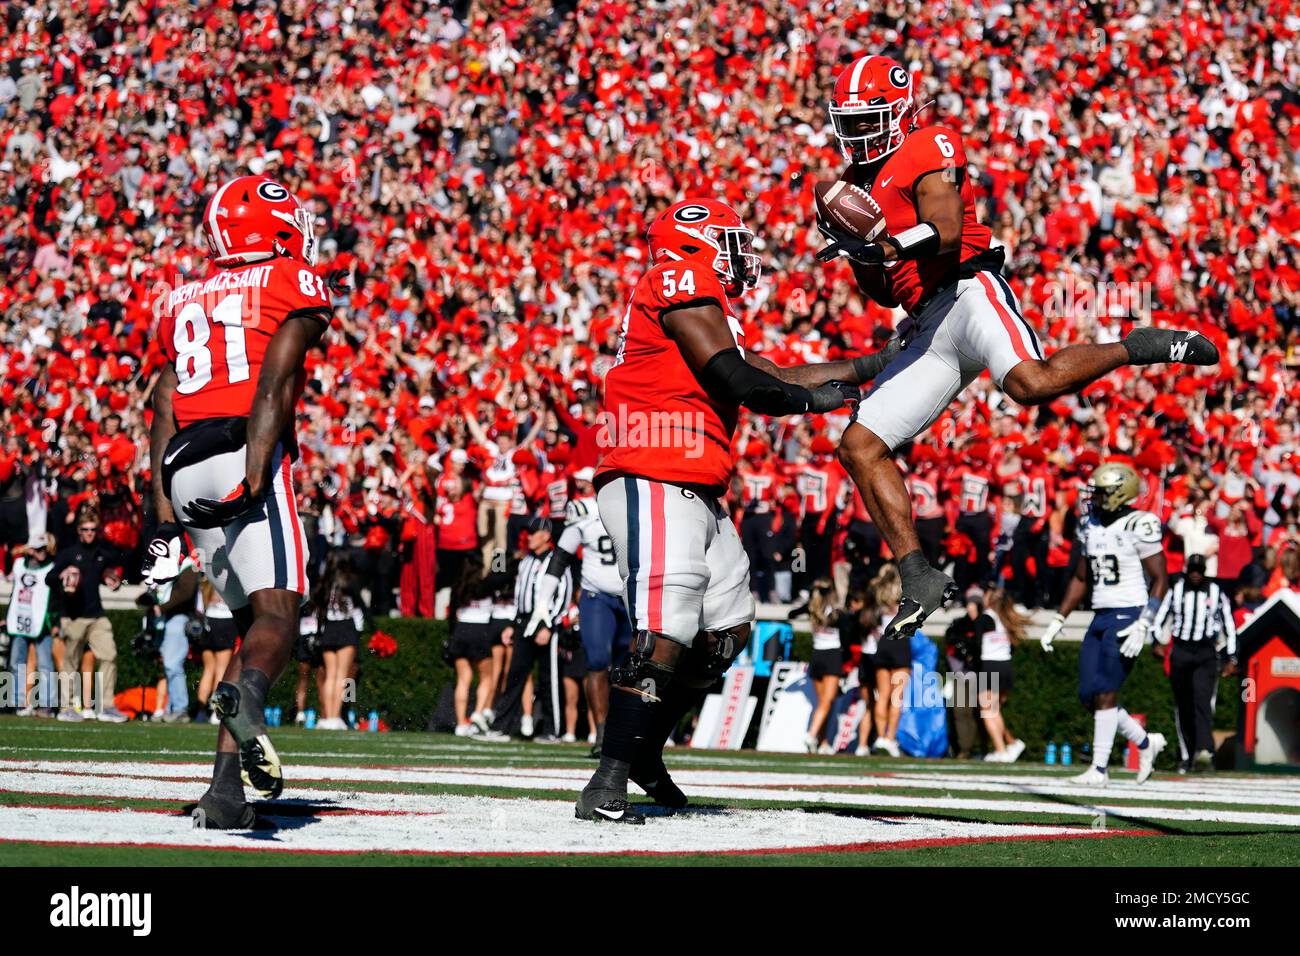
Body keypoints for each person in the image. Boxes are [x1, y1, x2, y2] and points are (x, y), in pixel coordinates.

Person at [819, 54, 1221, 642]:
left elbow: (947, 229)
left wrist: (882, 244)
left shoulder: (928, 144)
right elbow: (881, 293)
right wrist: (861, 249)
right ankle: (917, 573)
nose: (856, 134)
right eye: (848, 123)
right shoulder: (854, 185)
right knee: (858, 446)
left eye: (868, 118)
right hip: (924, 323)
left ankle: (1135, 346)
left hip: (968, 289)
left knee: (1029, 384)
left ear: (900, 108)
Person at [577, 198, 898, 823]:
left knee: (723, 635)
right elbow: (737, 379)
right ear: (694, 244)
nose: (740, 252)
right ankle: (607, 779)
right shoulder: (677, 277)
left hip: (694, 483)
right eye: (728, 240)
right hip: (653, 469)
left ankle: (643, 751)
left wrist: (878, 365)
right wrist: (807, 402)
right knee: (665, 631)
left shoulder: (703, 304)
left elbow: (770, 369)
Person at [145, 175, 332, 829]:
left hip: (183, 467)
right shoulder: (288, 278)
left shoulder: (180, 296)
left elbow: (163, 402)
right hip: (239, 445)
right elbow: (277, 375)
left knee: (252, 626)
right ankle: (245, 700)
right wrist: (256, 468)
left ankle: (224, 794)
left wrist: (163, 518)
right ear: (273, 229)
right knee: (281, 613)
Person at [1039, 462, 1168, 785]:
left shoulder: (1141, 523)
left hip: (1129, 613)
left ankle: (1099, 769)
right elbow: (1082, 577)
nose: (1093, 498)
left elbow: (1160, 580)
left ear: (1118, 493)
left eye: (1100, 492)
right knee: (1089, 695)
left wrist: (1145, 623)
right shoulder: (1090, 524)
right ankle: (1145, 742)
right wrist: (1059, 618)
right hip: (1100, 613)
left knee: (1107, 693)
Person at [533, 466, 630, 757]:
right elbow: (560, 559)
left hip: (629, 598)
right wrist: (542, 603)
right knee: (598, 661)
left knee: (634, 668)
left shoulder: (634, 507)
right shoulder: (583, 513)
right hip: (596, 595)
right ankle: (601, 734)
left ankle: (631, 732)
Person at [1154, 554, 1238, 773]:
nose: (1195, 574)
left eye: (1199, 570)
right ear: (1187, 570)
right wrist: (1157, 641)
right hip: (1181, 650)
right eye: (1192, 569)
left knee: (1203, 702)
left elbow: (1229, 623)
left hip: (1205, 652)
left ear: (1204, 572)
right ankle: (1186, 755)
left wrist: (1231, 657)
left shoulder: (1216, 592)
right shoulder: (1177, 590)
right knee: (1182, 705)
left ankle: (1205, 752)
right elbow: (1160, 616)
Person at [495, 516, 573, 738]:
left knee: (549, 679)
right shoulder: (527, 560)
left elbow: (564, 594)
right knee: (515, 676)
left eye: (533, 533)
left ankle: (552, 731)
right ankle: (501, 727)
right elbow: (520, 595)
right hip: (524, 621)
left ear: (546, 536)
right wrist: (512, 623)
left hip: (546, 622)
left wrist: (550, 625)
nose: (528, 537)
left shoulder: (556, 560)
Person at [48, 511, 128, 723]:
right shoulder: (69, 554)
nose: (89, 533)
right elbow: (50, 578)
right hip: (73, 616)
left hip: (96, 615)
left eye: (93, 529)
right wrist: (63, 576)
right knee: (70, 662)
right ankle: (66, 708)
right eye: (85, 529)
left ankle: (106, 706)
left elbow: (123, 563)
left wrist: (115, 579)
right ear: (79, 531)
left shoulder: (102, 552)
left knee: (109, 655)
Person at [312, 552, 369, 730]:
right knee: (341, 676)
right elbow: (362, 609)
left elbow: (316, 610)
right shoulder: (350, 582)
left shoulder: (325, 584)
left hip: (328, 630)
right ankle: (335, 717)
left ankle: (327, 716)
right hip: (346, 629)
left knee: (330, 675)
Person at [140, 549, 198, 722]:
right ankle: (172, 707)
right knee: (168, 666)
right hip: (165, 619)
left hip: (177, 618)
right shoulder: (165, 565)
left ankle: (180, 708)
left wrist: (162, 608)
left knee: (173, 665)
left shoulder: (188, 565)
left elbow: (185, 593)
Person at [973, 587, 1028, 762]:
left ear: (990, 599)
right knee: (994, 710)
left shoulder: (985, 617)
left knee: (988, 711)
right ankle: (1011, 744)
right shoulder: (1005, 618)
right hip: (1005, 666)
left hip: (989, 665)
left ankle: (1001, 750)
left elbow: (976, 643)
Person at [802, 579, 855, 754]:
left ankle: (823, 742)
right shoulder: (837, 614)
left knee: (822, 703)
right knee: (827, 701)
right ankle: (811, 735)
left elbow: (791, 613)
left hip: (817, 656)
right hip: (832, 657)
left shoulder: (813, 609)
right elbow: (848, 637)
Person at [8, 533, 57, 716]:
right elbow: (16, 591)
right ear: (30, 550)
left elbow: (54, 598)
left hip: (41, 622)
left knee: (45, 664)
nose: (41, 552)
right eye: (37, 549)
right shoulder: (19, 565)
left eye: (43, 549)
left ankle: (46, 704)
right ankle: (18, 702)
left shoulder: (51, 568)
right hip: (20, 620)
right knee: (16, 663)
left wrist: (54, 620)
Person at [195, 577, 237, 725]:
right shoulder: (228, 577)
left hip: (208, 622)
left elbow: (199, 609)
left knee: (208, 670)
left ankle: (200, 711)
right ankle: (215, 712)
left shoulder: (207, 579)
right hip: (225, 622)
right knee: (221, 671)